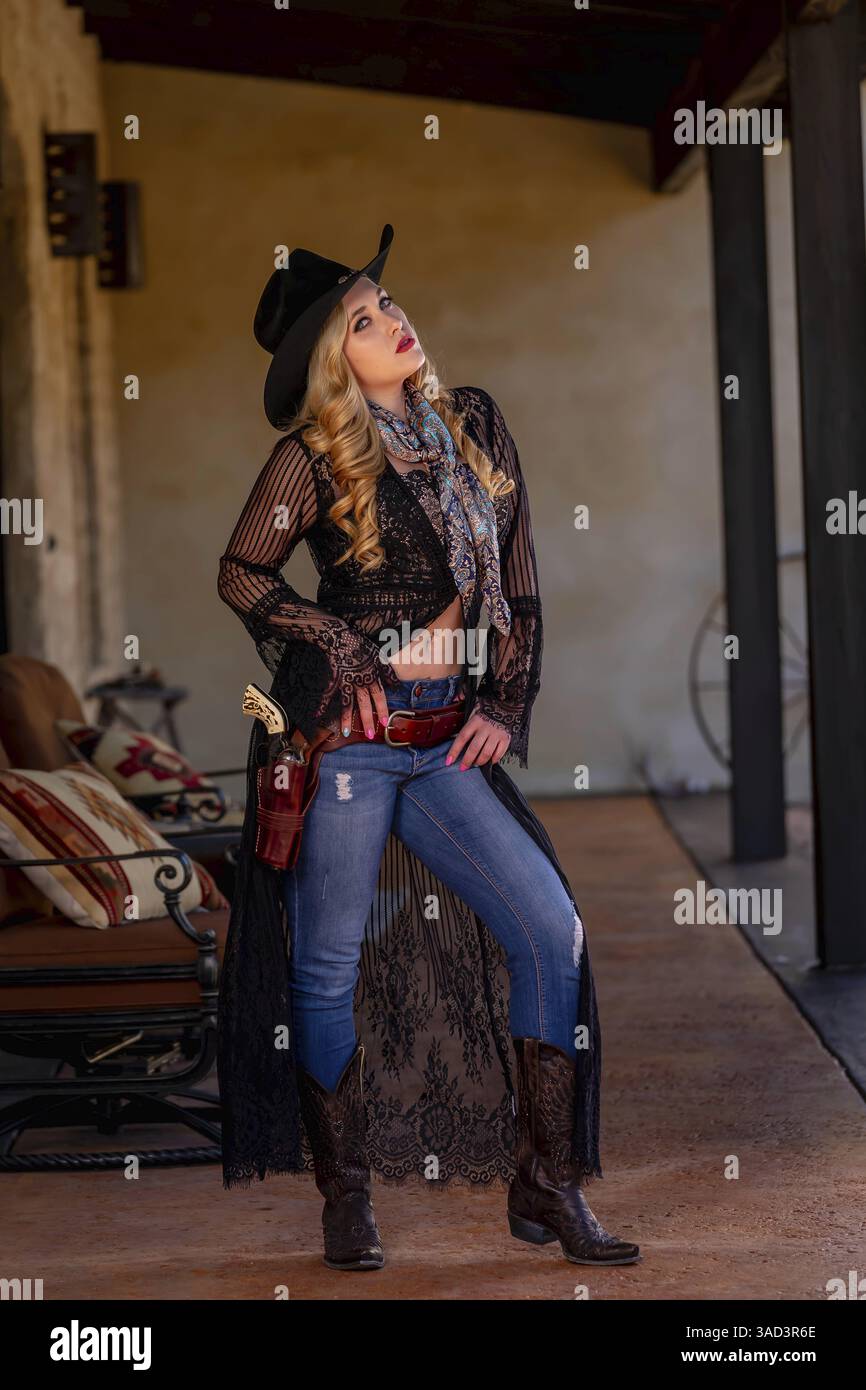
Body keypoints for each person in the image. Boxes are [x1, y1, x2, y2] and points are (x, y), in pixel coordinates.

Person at [216, 222, 640, 1273]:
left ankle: (545, 1182)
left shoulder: (474, 425)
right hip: (351, 750)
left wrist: (507, 696)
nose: (392, 324)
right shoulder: (309, 459)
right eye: (361, 323)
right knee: (325, 965)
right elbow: (242, 575)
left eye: (386, 304)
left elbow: (519, 575)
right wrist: (342, 643)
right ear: (332, 362)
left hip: (448, 738)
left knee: (551, 929)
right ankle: (346, 1199)